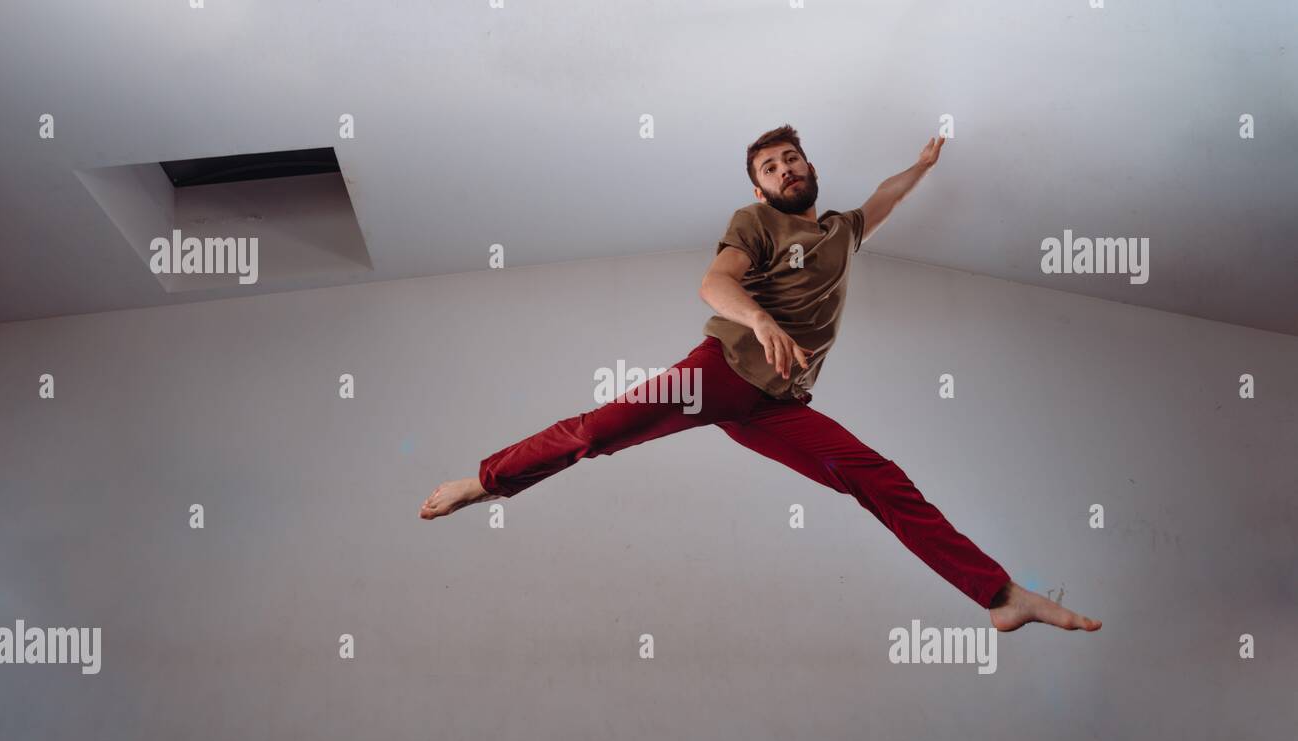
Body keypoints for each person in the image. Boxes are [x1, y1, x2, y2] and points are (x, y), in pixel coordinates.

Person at [421, 124, 1101, 633]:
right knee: (599, 430)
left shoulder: (841, 229)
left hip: (778, 403)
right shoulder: (756, 221)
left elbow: (882, 201)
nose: (784, 171)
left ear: (809, 167)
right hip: (720, 371)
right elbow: (713, 282)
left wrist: (920, 167)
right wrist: (761, 320)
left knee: (876, 476)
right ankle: (485, 481)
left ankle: (1001, 596)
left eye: (791, 159)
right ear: (760, 187)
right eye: (769, 167)